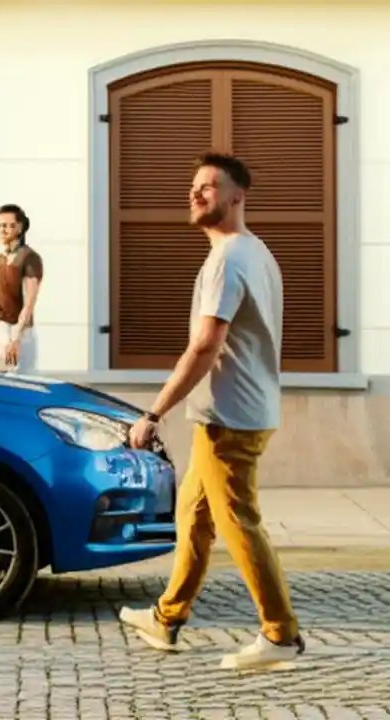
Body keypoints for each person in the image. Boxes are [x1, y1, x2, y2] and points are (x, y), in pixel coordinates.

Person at [118, 152, 303, 670]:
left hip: (229, 419)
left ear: (237, 196)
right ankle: (167, 617)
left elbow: (205, 346)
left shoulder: (229, 259)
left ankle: (280, 634)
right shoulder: (256, 252)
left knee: (239, 522)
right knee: (194, 517)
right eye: (194, 185)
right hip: (232, 413)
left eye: (209, 186)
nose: (196, 193)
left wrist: (153, 413)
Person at [0, 204, 42, 374]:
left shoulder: (29, 258)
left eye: (9, 225)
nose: (4, 230)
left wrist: (15, 338)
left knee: (20, 383)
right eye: (0, 225)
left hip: (17, 330)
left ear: (20, 227)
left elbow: (29, 302)